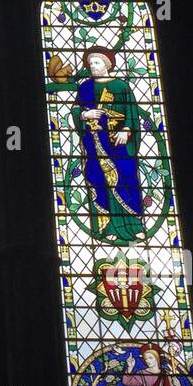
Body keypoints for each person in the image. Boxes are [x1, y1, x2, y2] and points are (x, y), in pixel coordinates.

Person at [72, 45, 143, 243]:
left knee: (126, 176)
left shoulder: (121, 86)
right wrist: (86, 114)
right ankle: (110, 225)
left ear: (107, 64)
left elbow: (132, 114)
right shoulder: (85, 87)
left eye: (96, 62)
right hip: (96, 141)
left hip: (119, 143)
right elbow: (76, 111)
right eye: (90, 63)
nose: (92, 66)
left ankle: (135, 225)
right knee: (100, 179)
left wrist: (127, 130)